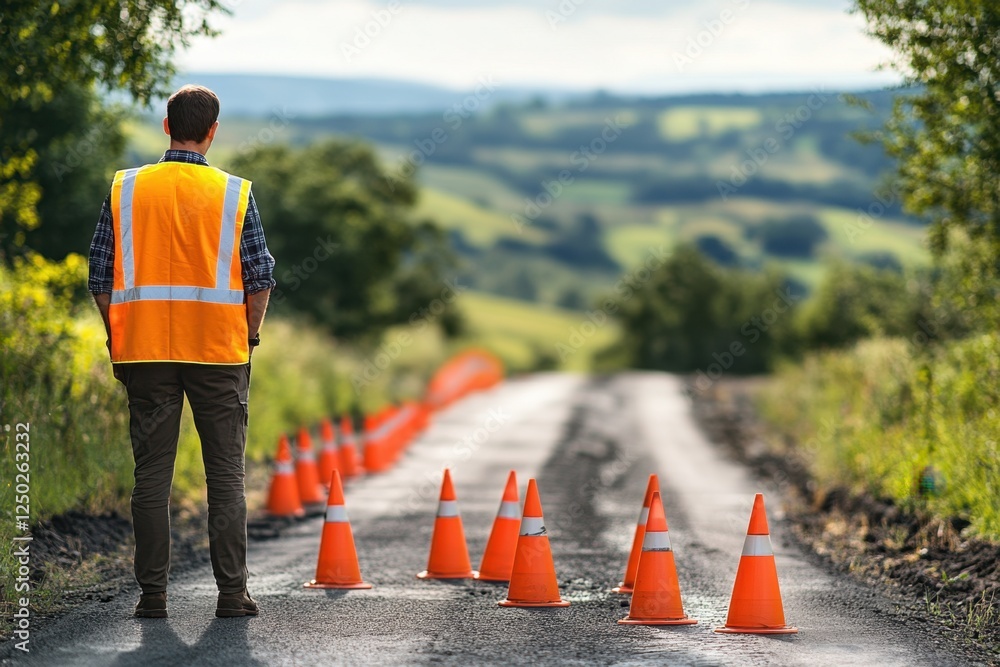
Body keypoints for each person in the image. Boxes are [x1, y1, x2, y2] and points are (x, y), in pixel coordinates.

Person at [87, 84, 275, 618]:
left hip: (144, 352)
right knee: (225, 477)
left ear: (165, 126)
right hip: (219, 352)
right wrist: (249, 336)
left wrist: (118, 332)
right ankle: (232, 596)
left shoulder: (125, 189)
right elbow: (259, 277)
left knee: (151, 478)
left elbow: (101, 276)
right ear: (212, 132)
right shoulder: (234, 193)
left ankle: (152, 597)